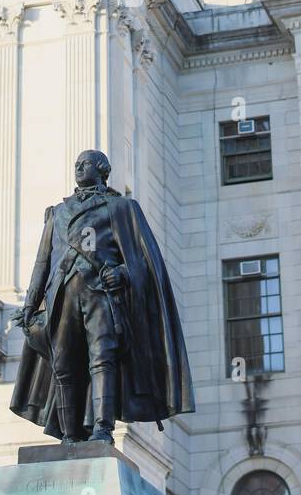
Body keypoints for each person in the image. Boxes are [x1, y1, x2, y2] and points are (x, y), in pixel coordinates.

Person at [10, 149, 194, 444]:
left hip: (101, 297)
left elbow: (144, 262)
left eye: (86, 164)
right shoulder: (57, 213)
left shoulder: (121, 208)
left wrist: (122, 273)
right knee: (64, 365)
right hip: (61, 297)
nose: (79, 168)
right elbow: (42, 263)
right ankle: (69, 435)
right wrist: (30, 306)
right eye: (76, 164)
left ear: (102, 169)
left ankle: (102, 428)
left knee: (102, 360)